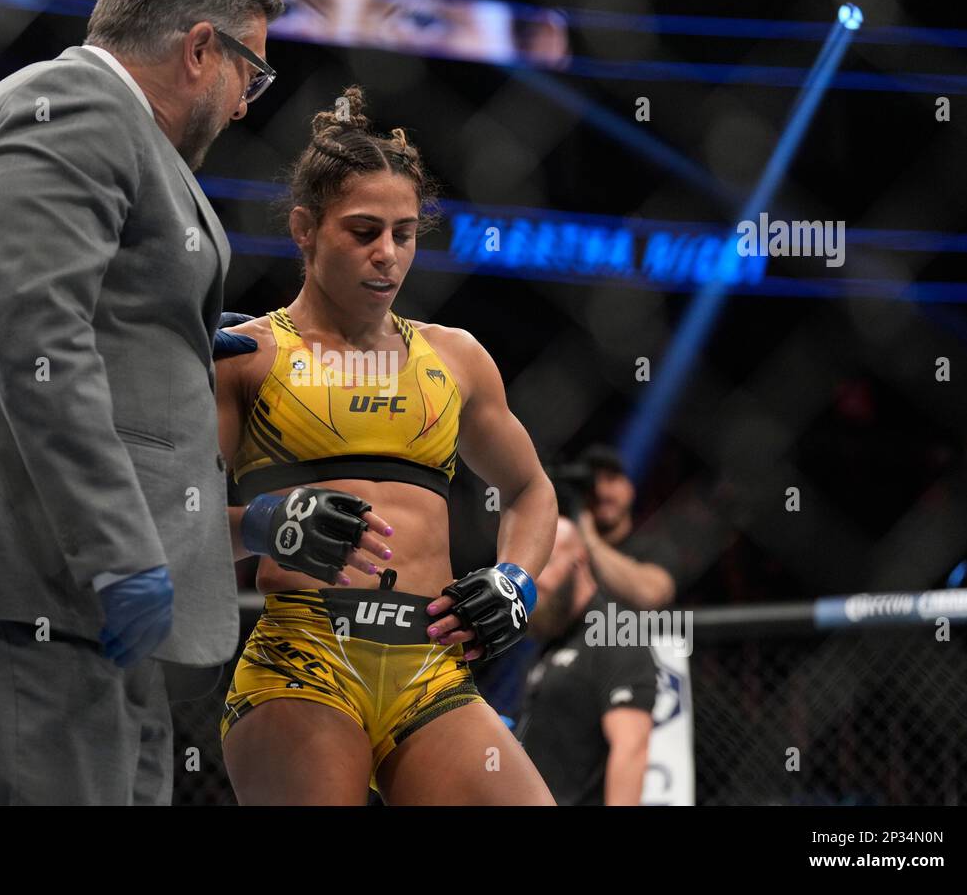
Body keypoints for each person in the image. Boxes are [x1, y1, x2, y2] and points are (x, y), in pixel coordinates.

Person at [0, 0, 286, 804]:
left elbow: (70, 312)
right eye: (253, 74)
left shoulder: (108, 126)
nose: (245, 106)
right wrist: (121, 552)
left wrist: (181, 336)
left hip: (73, 595)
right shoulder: (75, 105)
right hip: (32, 578)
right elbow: (32, 330)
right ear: (201, 48)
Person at [216, 86, 559, 805]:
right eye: (364, 231)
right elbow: (166, 516)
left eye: (403, 234)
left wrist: (514, 582)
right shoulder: (247, 356)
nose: (388, 256)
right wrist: (258, 524)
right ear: (305, 229)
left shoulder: (457, 358)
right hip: (301, 660)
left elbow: (530, 490)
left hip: (430, 667)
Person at [516, 514, 655, 805]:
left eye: (544, 566)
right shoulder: (555, 639)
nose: (534, 584)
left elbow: (631, 745)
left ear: (577, 561)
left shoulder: (614, 632)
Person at [577, 444, 680, 610]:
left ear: (630, 488)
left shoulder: (655, 548)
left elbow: (650, 596)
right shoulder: (569, 550)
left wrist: (589, 539)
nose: (601, 491)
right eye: (591, 483)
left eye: (611, 479)